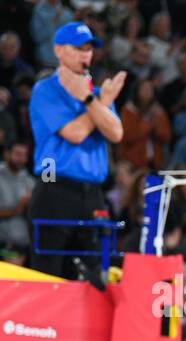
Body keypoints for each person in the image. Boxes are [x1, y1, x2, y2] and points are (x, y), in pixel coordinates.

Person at [26, 21, 126, 280]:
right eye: (78, 48)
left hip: (92, 195)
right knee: (49, 276)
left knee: (93, 276)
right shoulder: (45, 89)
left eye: (89, 49)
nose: (86, 55)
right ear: (58, 50)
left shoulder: (93, 94)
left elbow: (116, 133)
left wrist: (91, 100)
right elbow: (75, 133)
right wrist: (100, 103)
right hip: (55, 189)